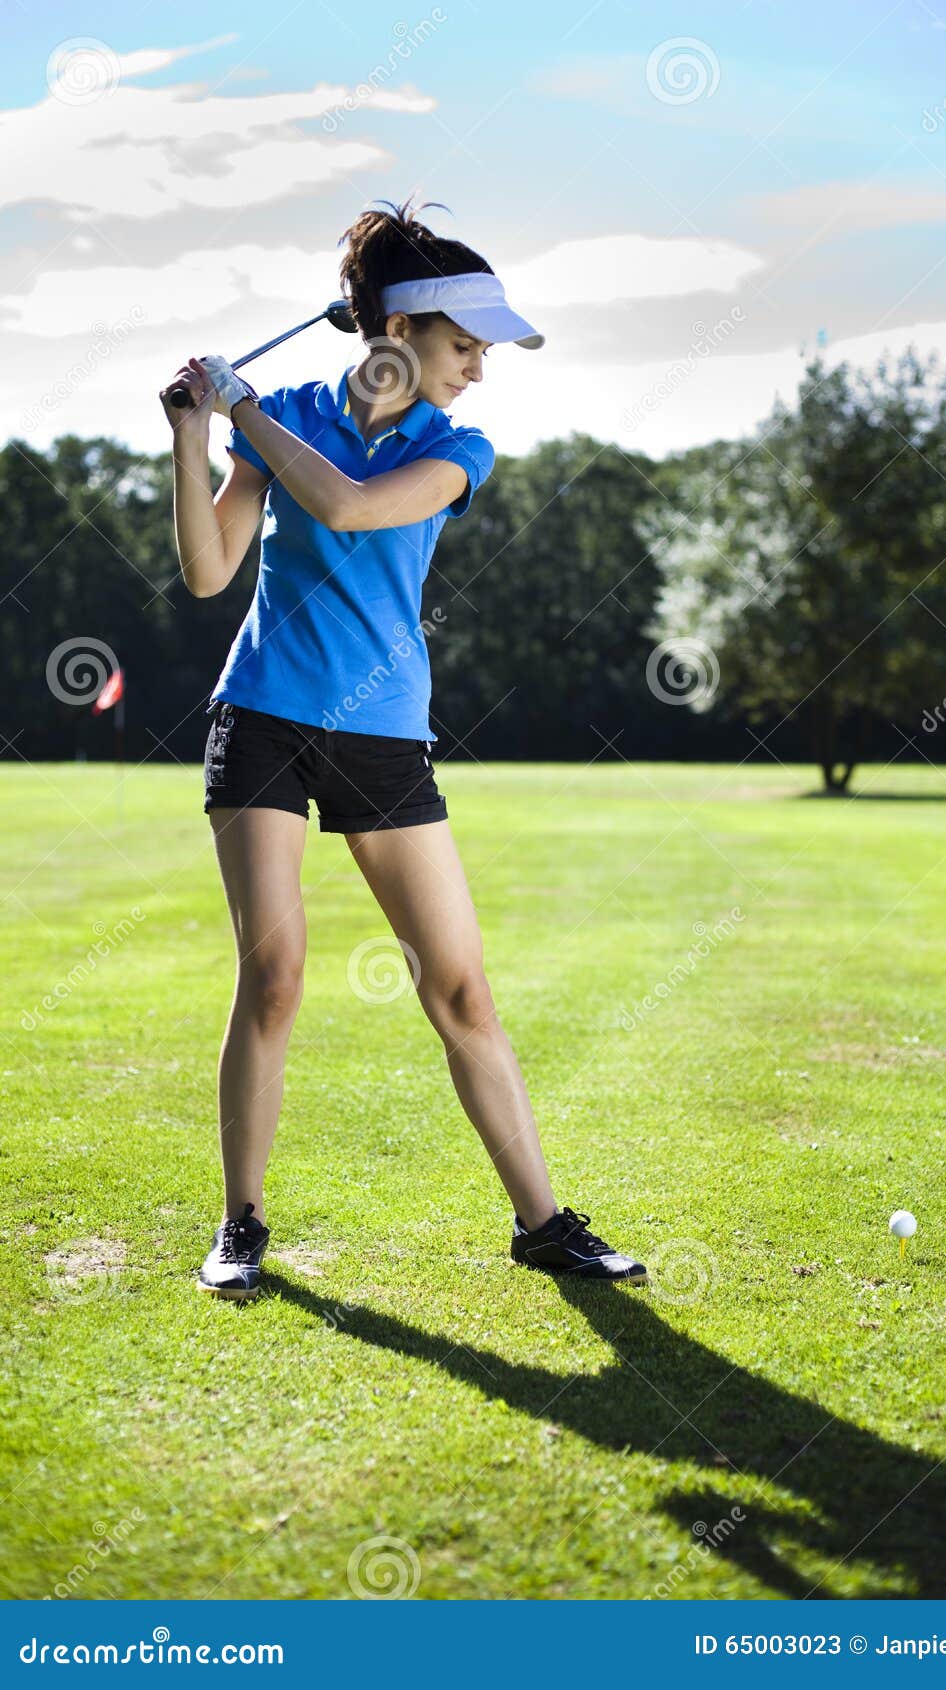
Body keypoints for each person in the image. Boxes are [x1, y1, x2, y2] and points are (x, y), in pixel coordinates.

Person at [160, 195, 646, 1301]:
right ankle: (240, 1223)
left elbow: (347, 507)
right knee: (273, 978)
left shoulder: (455, 443)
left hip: (383, 732)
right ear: (400, 333)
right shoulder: (278, 414)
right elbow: (205, 571)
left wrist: (244, 411)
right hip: (267, 716)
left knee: (460, 989)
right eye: (464, 344)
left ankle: (542, 1223)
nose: (479, 367)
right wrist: (197, 436)